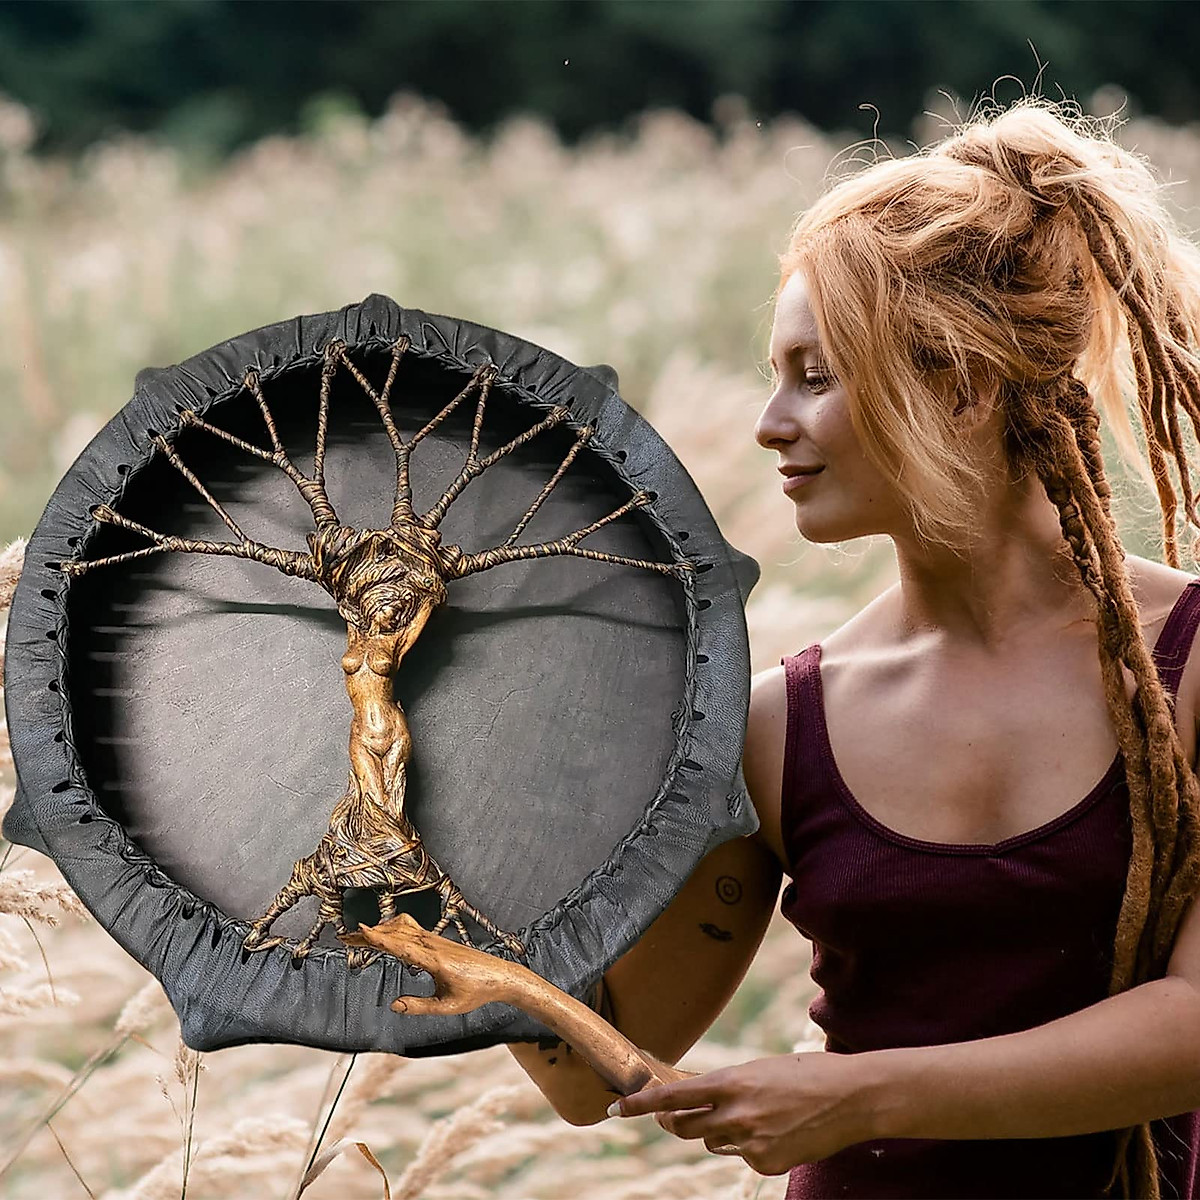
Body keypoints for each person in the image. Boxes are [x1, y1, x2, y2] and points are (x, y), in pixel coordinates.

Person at [500, 98, 1200, 1198]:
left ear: (960, 386)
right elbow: (592, 1076)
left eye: (814, 377)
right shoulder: (778, 723)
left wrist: (859, 1094)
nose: (769, 422)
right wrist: (466, 840)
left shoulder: (1192, 666)